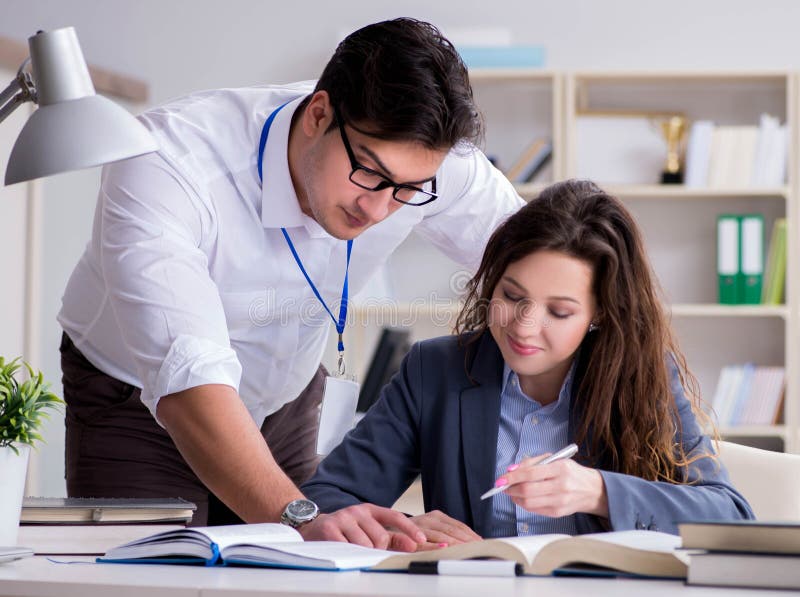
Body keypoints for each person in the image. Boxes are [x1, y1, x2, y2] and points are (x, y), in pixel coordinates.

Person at [57, 17, 523, 549]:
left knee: (303, 569)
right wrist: (299, 513)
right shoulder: (165, 162)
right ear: (319, 113)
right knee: (154, 576)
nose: (377, 208)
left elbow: (547, 257)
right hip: (136, 402)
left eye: (407, 190)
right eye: (369, 173)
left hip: (288, 396)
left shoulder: (434, 165)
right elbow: (187, 376)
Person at [302, 179, 755, 540]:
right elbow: (325, 498)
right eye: (511, 296)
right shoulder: (433, 370)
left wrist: (598, 492)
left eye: (559, 312)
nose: (523, 325)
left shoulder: (639, 374)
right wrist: (400, 528)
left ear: (599, 314)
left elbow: (730, 514)